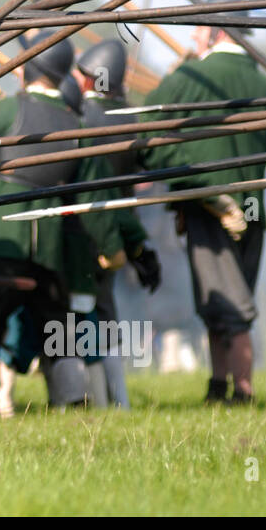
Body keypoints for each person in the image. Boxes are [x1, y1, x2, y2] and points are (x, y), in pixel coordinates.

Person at [139, 0, 266, 404]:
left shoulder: (184, 80)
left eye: (198, 29)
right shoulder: (263, 83)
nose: (193, 37)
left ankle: (241, 392)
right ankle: (218, 386)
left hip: (207, 214)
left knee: (232, 307)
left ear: (216, 31)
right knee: (223, 304)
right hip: (253, 212)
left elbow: (144, 138)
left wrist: (192, 181)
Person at [0, 33, 120, 411]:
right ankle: (73, 402)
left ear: (28, 67)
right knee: (56, 327)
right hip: (50, 239)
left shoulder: (4, 110)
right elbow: (91, 193)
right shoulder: (76, 124)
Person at [73, 40, 161, 408]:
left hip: (83, 228)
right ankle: (111, 400)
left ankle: (100, 400)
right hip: (120, 228)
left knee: (84, 312)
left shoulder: (81, 116)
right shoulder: (130, 117)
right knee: (100, 311)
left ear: (91, 79)